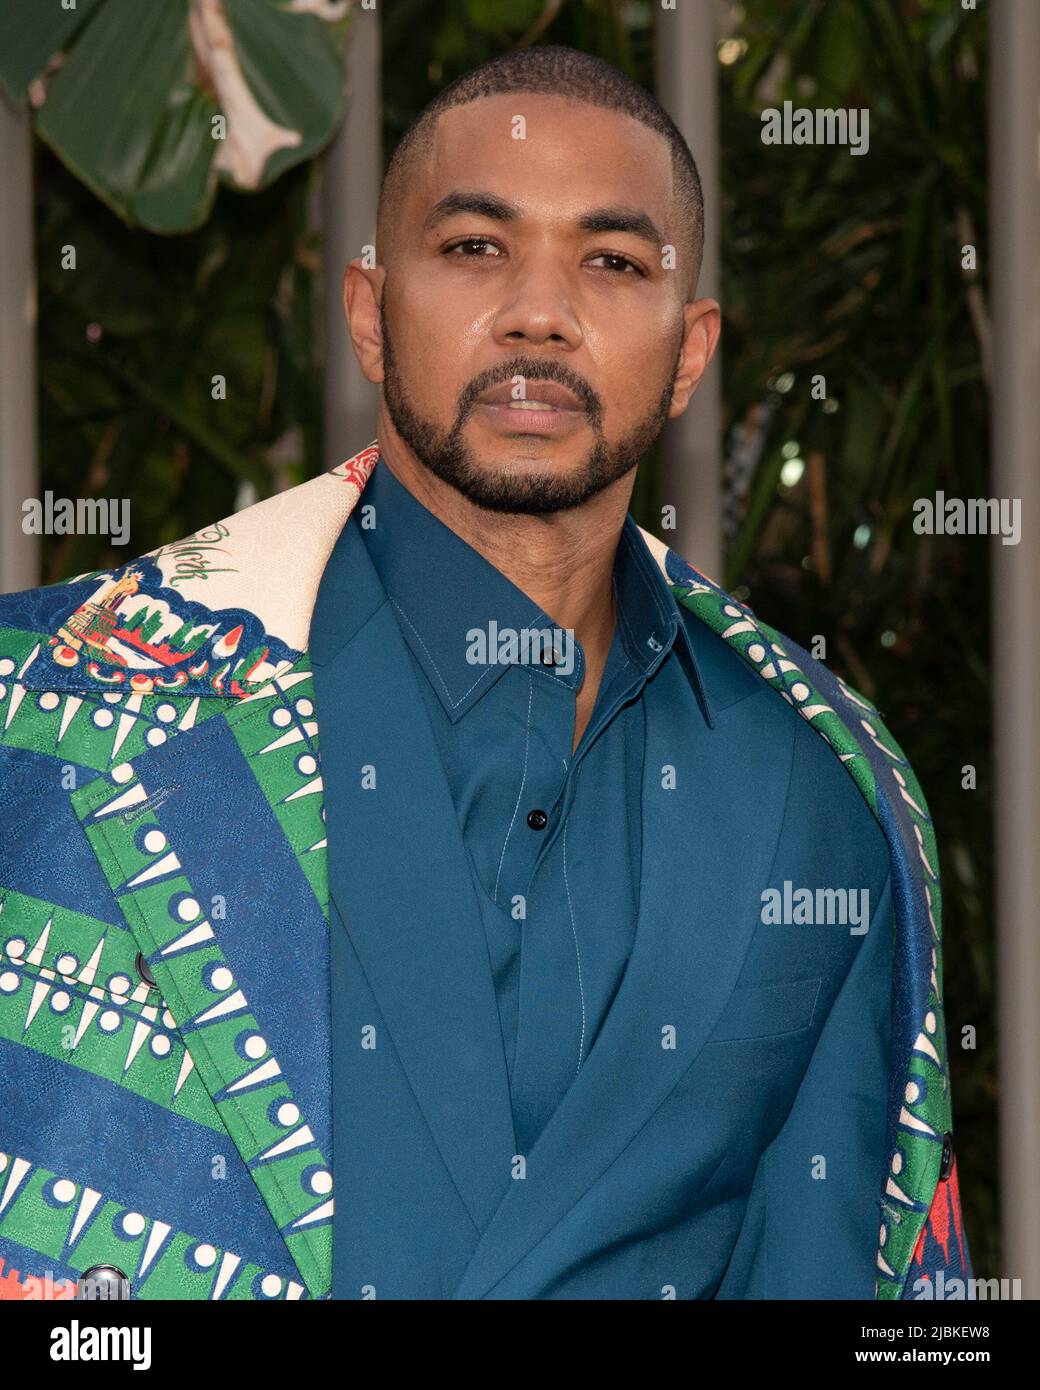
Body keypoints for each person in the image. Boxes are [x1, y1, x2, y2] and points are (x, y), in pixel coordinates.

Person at [0, 45, 969, 1301]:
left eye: (613, 262)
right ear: (365, 311)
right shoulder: (60, 711)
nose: (538, 311)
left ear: (688, 350)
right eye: (473, 248)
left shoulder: (818, 791)